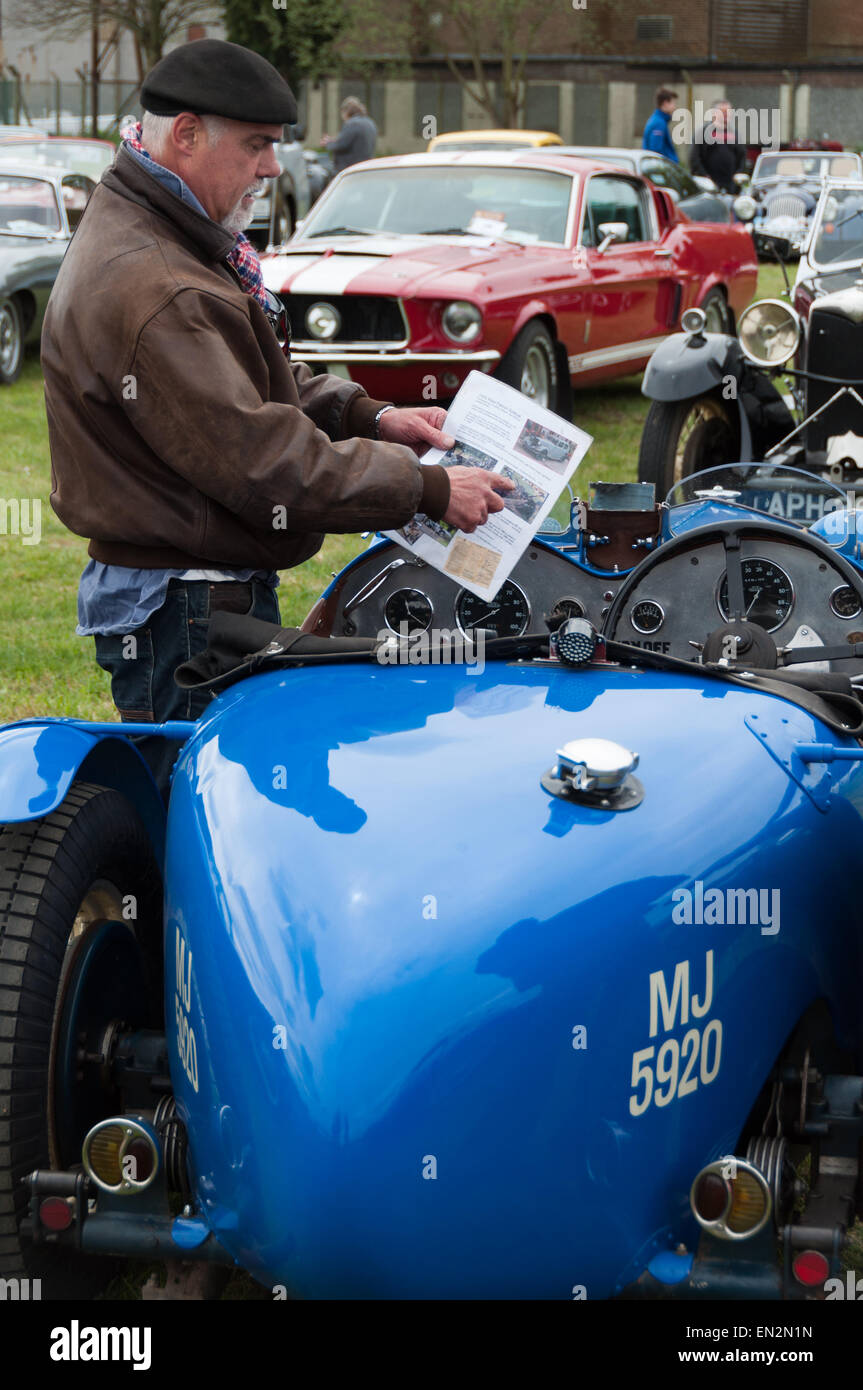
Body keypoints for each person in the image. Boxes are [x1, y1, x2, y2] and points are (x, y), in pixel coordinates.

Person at [40, 40, 509, 789]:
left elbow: (238, 381)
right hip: (186, 606)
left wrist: (367, 414)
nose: (271, 168)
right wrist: (427, 489)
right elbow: (263, 460)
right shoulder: (158, 281)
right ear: (186, 135)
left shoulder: (158, 229)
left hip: (186, 595)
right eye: (256, 145)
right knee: (207, 818)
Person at [689, 100, 745, 194]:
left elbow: (742, 158)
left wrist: (737, 178)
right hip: (708, 186)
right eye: (723, 112)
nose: (726, 114)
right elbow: (694, 159)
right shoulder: (703, 133)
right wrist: (705, 177)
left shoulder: (735, 134)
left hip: (730, 186)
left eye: (728, 111)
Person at [321, 97, 377, 173]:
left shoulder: (352, 124)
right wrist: (334, 140)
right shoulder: (370, 122)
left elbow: (341, 145)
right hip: (366, 165)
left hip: (350, 168)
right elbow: (354, 141)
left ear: (346, 112)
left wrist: (328, 143)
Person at [642, 86, 679, 164]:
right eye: (673, 103)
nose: (675, 107)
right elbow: (656, 153)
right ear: (665, 103)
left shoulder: (659, 121)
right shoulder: (658, 123)